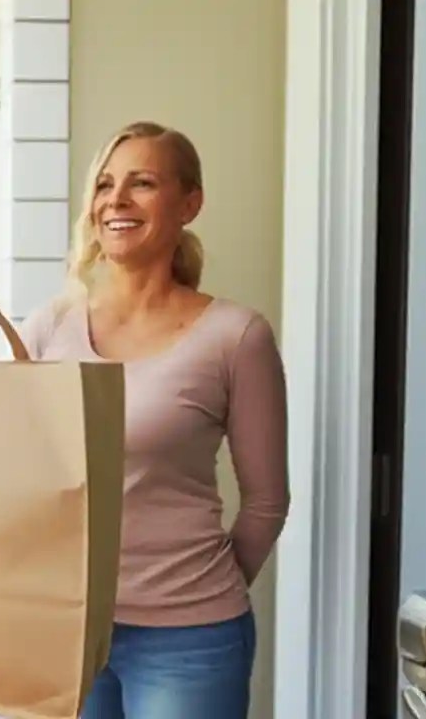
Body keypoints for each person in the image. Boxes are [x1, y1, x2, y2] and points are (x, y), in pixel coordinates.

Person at [15, 121, 289, 719]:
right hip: (64, 630)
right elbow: (0, 471)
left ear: (189, 204)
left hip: (187, 641)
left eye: (141, 183)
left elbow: (267, 502)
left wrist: (198, 593)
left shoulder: (235, 335)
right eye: (104, 184)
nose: (116, 199)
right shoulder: (47, 328)